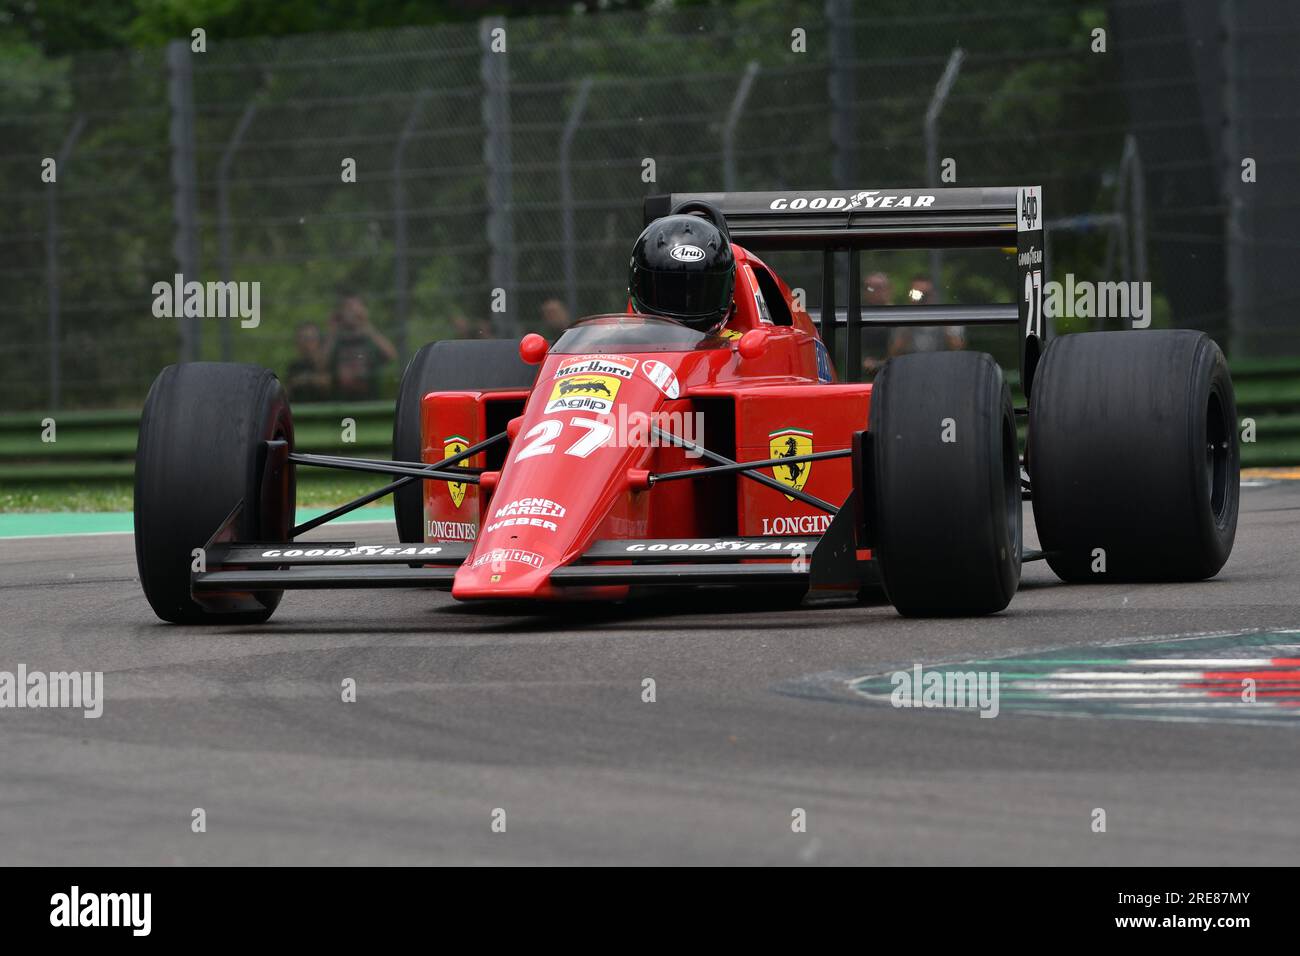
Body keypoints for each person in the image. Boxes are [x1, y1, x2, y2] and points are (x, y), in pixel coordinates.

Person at [627, 212, 735, 333]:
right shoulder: (622, 343)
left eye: (697, 289)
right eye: (671, 289)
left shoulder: (739, 346)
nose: (687, 300)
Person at [326, 295, 397, 400]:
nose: (351, 313)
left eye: (355, 308)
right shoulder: (337, 339)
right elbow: (322, 364)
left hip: (370, 399)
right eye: (348, 308)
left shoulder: (370, 338)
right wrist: (332, 330)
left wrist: (366, 325)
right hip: (340, 401)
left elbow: (391, 355)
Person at [887, 275, 966, 357]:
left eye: (926, 294)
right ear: (910, 294)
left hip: (941, 362)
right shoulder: (901, 317)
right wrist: (911, 317)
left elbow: (958, 348)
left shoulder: (949, 315)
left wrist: (941, 318)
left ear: (934, 295)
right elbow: (893, 353)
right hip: (910, 364)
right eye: (917, 293)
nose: (922, 298)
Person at [285, 321, 332, 402]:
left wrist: (304, 380)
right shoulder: (295, 366)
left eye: (308, 339)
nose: (305, 343)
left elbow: (329, 383)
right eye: (301, 339)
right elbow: (288, 389)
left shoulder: (327, 362)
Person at [860, 271, 893, 374]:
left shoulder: (897, 316)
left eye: (879, 288)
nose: (874, 292)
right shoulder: (861, 317)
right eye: (870, 289)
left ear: (889, 290)